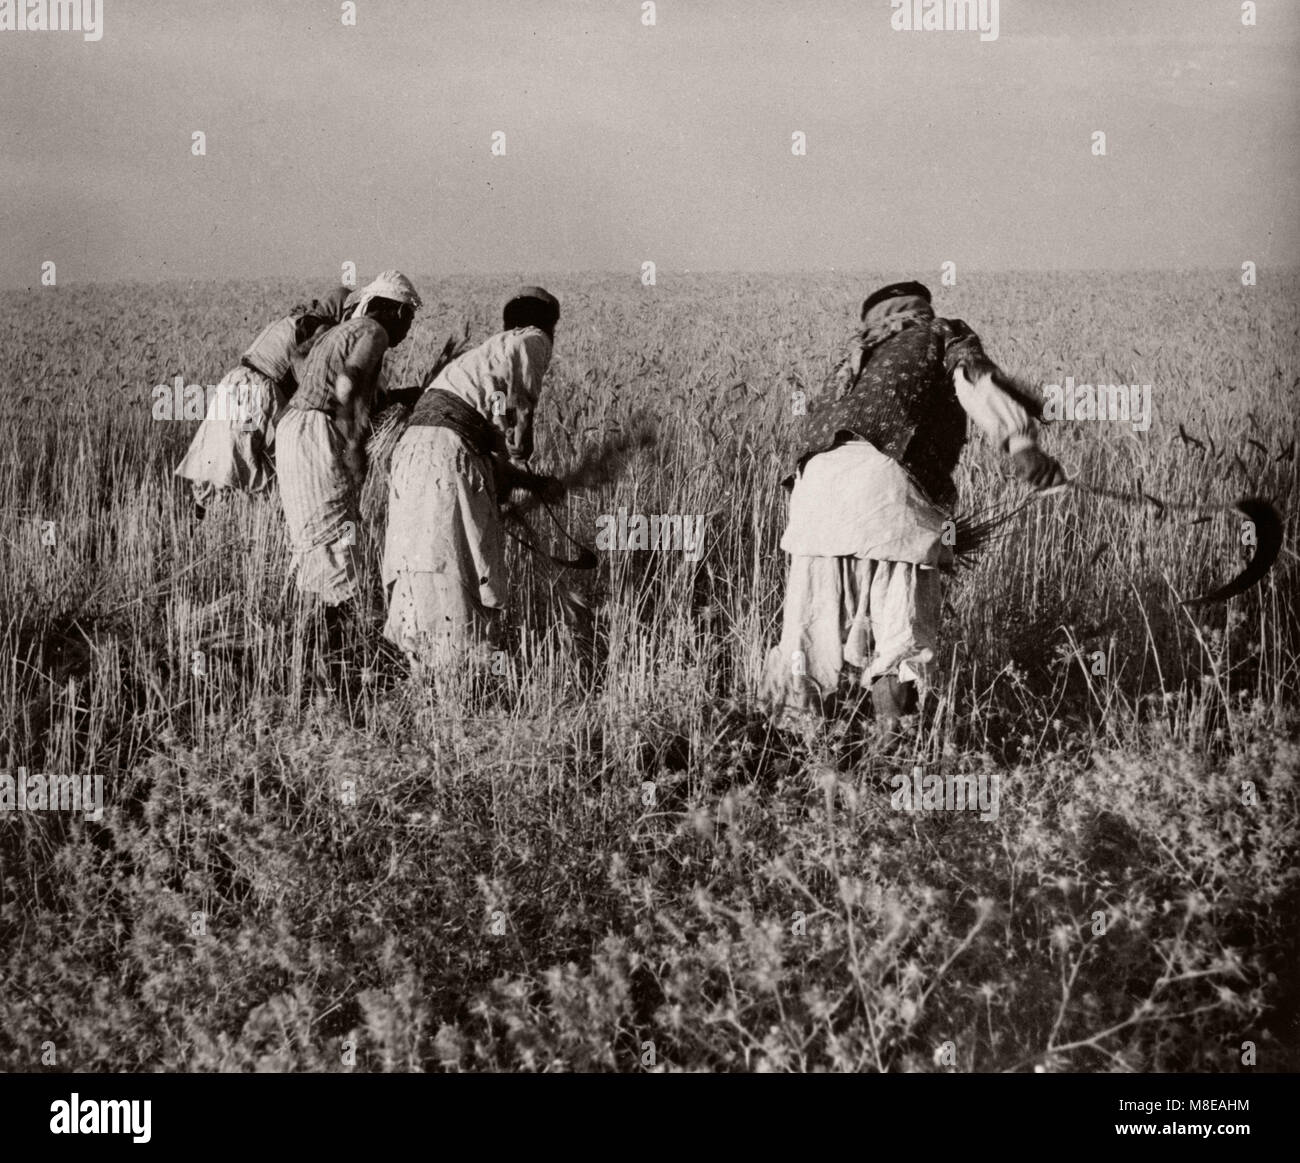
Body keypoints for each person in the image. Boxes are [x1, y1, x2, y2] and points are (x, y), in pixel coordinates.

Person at [759, 280, 1065, 744]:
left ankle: (796, 755)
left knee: (808, 634)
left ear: (875, 319)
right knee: (898, 635)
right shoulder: (941, 333)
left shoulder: (851, 362)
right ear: (921, 310)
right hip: (887, 495)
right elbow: (975, 381)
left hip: (814, 501)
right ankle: (891, 754)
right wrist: (1021, 444)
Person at [381, 286, 562, 675]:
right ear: (547, 324)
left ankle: (423, 668)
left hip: (416, 453)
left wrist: (530, 484)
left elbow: (485, 446)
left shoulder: (480, 362)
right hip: (446, 455)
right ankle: (458, 672)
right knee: (456, 564)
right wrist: (523, 450)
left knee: (422, 557)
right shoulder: (531, 340)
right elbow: (518, 417)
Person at [276, 271, 420, 606]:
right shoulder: (375, 330)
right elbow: (347, 383)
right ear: (397, 312)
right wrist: (354, 444)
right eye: (409, 319)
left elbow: (299, 356)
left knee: (317, 539)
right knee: (341, 536)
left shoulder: (338, 332)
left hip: (294, 430)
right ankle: (335, 626)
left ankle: (310, 627)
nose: (407, 330)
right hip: (318, 434)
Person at [174, 287, 351, 513]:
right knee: (263, 463)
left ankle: (204, 517)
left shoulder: (291, 319)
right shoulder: (320, 328)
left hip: (233, 383)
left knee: (219, 458)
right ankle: (246, 521)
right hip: (259, 392)